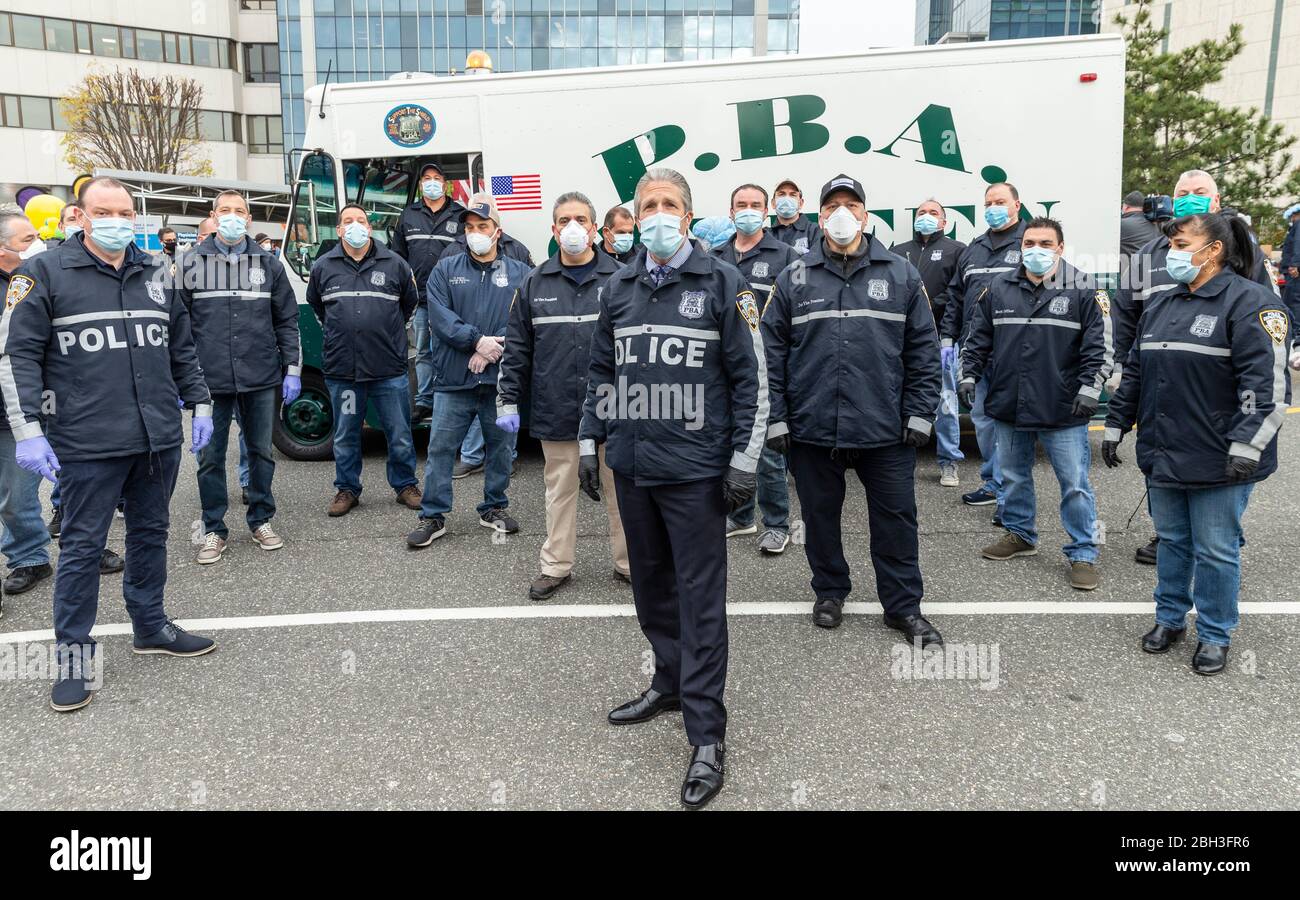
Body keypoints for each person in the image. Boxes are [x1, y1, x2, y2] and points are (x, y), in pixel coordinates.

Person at [577, 166, 764, 810]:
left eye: (668, 205)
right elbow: (601, 368)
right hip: (632, 468)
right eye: (646, 204)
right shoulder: (619, 286)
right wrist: (586, 440)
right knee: (652, 590)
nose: (656, 214)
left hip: (695, 472)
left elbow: (753, 380)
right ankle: (669, 681)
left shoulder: (723, 282)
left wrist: (744, 461)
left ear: (688, 215)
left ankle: (707, 735)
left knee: (699, 600)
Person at [0, 176, 217, 712]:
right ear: (81, 214)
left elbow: (180, 347)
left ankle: (150, 624)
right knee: (81, 548)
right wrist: (27, 430)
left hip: (155, 438)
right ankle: (73, 657)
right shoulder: (42, 274)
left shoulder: (155, 272)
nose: (117, 220)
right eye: (105, 211)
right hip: (86, 440)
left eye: (125, 211)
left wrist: (202, 403)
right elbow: (16, 356)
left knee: (151, 533)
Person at [1103, 212, 1290, 675]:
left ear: (1213, 251)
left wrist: (1247, 447)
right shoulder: (1162, 304)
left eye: (1181, 244)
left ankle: (1214, 632)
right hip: (1165, 450)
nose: (1172, 254)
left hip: (1221, 458)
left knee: (1215, 550)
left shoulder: (1252, 304)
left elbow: (1265, 390)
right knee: (1172, 541)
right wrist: (1116, 422)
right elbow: (1138, 371)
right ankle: (1169, 619)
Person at [764, 174, 944, 644]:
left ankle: (903, 607)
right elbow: (770, 353)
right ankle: (829, 591)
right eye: (831, 207)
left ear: (866, 214)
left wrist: (921, 413)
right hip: (811, 428)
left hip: (885, 429)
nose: (841, 214)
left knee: (897, 520)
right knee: (820, 519)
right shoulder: (794, 275)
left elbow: (924, 350)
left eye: (851, 205)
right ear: (819, 216)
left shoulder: (901, 273)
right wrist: (777, 417)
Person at [1112, 169, 1280, 565]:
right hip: (1158, 369)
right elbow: (1125, 310)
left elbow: (1262, 329)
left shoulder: (1243, 254)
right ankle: (1167, 534)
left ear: (1216, 202)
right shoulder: (1149, 255)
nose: (1190, 199)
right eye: (1182, 193)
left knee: (1216, 523)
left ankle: (1219, 536)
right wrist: (1123, 367)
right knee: (1162, 461)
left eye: (1199, 193)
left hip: (1212, 379)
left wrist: (1249, 434)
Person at [959, 217, 1112, 590]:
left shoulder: (1084, 289)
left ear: (1060, 247)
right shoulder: (998, 287)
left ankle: (1083, 552)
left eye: (1045, 243)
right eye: (1029, 243)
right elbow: (977, 338)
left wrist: (1091, 389)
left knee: (1074, 482)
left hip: (1063, 407)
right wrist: (968, 374)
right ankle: (1020, 534)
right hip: (1010, 401)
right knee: (1012, 475)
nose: (1036, 250)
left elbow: (1101, 348)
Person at [496, 191, 630, 598]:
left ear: (595, 229)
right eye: (564, 220)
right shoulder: (534, 282)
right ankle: (556, 565)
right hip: (556, 407)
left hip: (613, 408)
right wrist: (507, 398)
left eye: (581, 219)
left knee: (621, 490)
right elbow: (517, 347)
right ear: (554, 230)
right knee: (559, 491)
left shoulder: (621, 278)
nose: (573, 227)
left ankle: (629, 564)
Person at [177, 190, 301, 564]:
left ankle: (261, 518)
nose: (233, 217)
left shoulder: (268, 264)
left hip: (260, 375)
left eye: (240, 211)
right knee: (210, 458)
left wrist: (291, 369)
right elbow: (177, 325)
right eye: (225, 211)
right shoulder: (191, 263)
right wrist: (181, 380)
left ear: (249, 219)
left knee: (261, 452)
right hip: (208, 380)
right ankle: (214, 528)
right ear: (213, 217)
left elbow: (287, 320)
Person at [406, 195, 530, 548]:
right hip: (454, 380)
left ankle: (493, 507)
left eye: (483, 227)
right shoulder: (446, 270)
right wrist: (476, 342)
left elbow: (524, 326)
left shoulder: (521, 274)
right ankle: (433, 515)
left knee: (501, 449)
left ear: (497, 232)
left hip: (500, 383)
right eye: (470, 227)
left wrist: (493, 351)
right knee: (441, 450)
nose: (475, 233)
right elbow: (440, 319)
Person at [306, 203, 422, 517]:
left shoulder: (395, 264)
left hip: (388, 369)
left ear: (369, 228)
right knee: (346, 433)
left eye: (360, 220)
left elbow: (410, 307)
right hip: (343, 370)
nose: (355, 226)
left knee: (398, 431)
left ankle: (405, 485)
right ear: (339, 230)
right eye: (347, 221)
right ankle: (347, 489)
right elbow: (318, 308)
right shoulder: (323, 267)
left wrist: (390, 336)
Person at [712, 182, 799, 553]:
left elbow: (796, 313)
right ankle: (742, 516)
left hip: (765, 367)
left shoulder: (786, 256)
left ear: (766, 210)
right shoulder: (714, 256)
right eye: (740, 204)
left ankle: (777, 522)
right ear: (730, 212)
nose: (748, 210)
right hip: (721, 367)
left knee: (766, 450)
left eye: (755, 204)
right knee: (732, 444)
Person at [938, 182, 1027, 520]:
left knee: (1010, 423)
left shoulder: (1029, 244)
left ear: (1016, 205)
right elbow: (955, 299)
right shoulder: (973, 249)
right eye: (989, 202)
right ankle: (992, 482)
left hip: (1014, 351)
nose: (994, 207)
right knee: (982, 420)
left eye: (1000, 201)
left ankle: (1013, 493)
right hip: (974, 349)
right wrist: (948, 340)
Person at [891, 198, 967, 487]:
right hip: (901, 339)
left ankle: (949, 462)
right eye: (921, 212)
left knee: (945, 400)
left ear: (944, 222)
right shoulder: (899, 252)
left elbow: (957, 296)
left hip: (939, 339)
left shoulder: (956, 250)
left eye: (933, 213)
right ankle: (899, 459)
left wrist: (946, 334)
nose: (926, 216)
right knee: (900, 397)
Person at [0, 212, 54, 597]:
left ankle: (86, 547)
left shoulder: (45, 278)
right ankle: (29, 557)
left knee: (80, 484)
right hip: (10, 411)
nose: (37, 243)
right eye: (27, 239)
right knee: (17, 496)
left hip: (60, 401)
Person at [390, 162, 466, 424]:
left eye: (436, 178)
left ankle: (447, 396)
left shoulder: (460, 214)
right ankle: (425, 401)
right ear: (421, 184)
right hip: (420, 298)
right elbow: (397, 257)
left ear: (445, 183)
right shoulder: (408, 215)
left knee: (449, 348)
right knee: (423, 350)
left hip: (451, 300)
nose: (431, 182)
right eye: (426, 178)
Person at [768, 178, 822, 254]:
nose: (787, 199)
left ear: (801, 203)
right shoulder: (766, 234)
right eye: (781, 194)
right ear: (773, 203)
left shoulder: (814, 231)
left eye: (793, 195)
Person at [1119, 190, 1161, 257]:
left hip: (1127, 266)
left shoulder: (1120, 224)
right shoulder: (1155, 225)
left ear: (1126, 207)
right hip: (1148, 265)